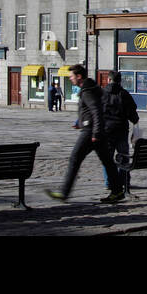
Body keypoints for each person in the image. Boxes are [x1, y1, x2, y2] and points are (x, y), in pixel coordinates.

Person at [47, 64, 123, 204]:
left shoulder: (87, 91)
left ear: (79, 76)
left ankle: (64, 192)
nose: (70, 79)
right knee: (107, 161)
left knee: (74, 159)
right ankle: (117, 190)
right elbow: (91, 110)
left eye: (71, 76)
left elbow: (96, 111)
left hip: (91, 132)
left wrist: (95, 132)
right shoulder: (91, 88)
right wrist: (80, 121)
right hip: (95, 130)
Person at [101, 73, 139, 193]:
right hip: (121, 130)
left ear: (109, 79)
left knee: (107, 158)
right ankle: (123, 181)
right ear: (120, 81)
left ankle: (109, 182)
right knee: (124, 156)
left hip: (106, 131)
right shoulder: (124, 94)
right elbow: (133, 115)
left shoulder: (102, 94)